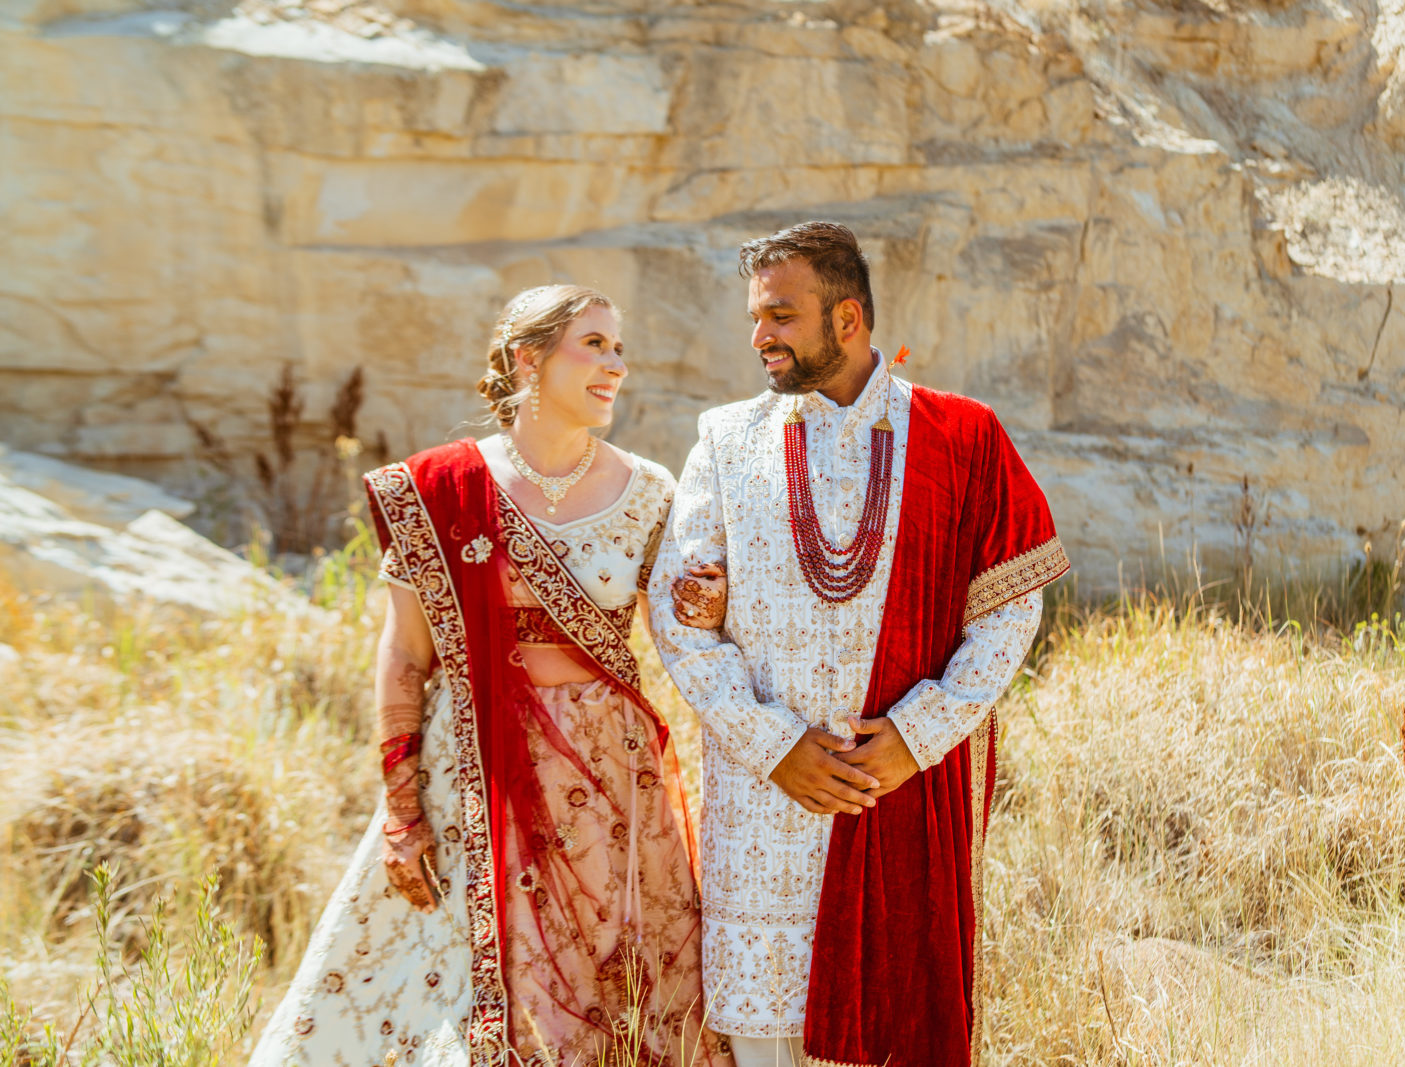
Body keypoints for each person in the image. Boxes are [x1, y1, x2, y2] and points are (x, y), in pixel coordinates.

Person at [251, 285, 733, 1067]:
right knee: (475, 989)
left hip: (609, 785)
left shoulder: (649, 492)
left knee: (611, 990)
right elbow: (406, 654)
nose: (616, 364)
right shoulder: (438, 489)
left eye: (619, 348)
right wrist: (404, 811)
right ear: (527, 358)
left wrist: (710, 597)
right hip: (471, 771)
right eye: (594, 344)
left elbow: (686, 634)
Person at [648, 222, 1070, 1067]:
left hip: (901, 791)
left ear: (848, 319)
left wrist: (918, 737)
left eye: (781, 314)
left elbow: (1010, 606)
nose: (760, 335)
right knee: (768, 1038)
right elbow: (680, 616)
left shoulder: (963, 437)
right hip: (768, 804)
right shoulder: (727, 442)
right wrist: (774, 746)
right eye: (755, 317)